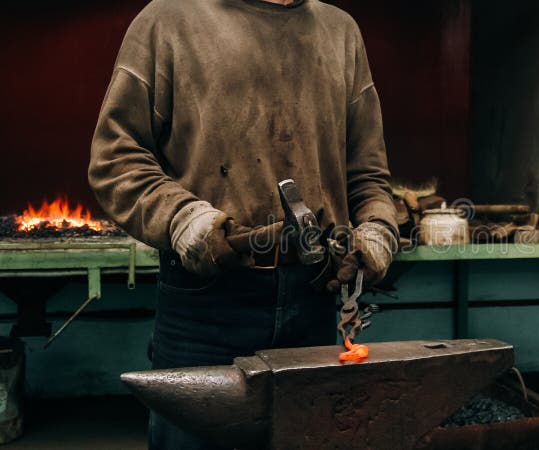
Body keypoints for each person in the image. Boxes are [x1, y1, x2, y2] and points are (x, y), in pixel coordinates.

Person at [88, 0, 398, 448]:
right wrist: (187, 221)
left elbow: (367, 175)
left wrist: (375, 236)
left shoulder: (341, 31)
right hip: (206, 302)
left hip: (315, 293)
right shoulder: (168, 20)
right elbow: (115, 159)